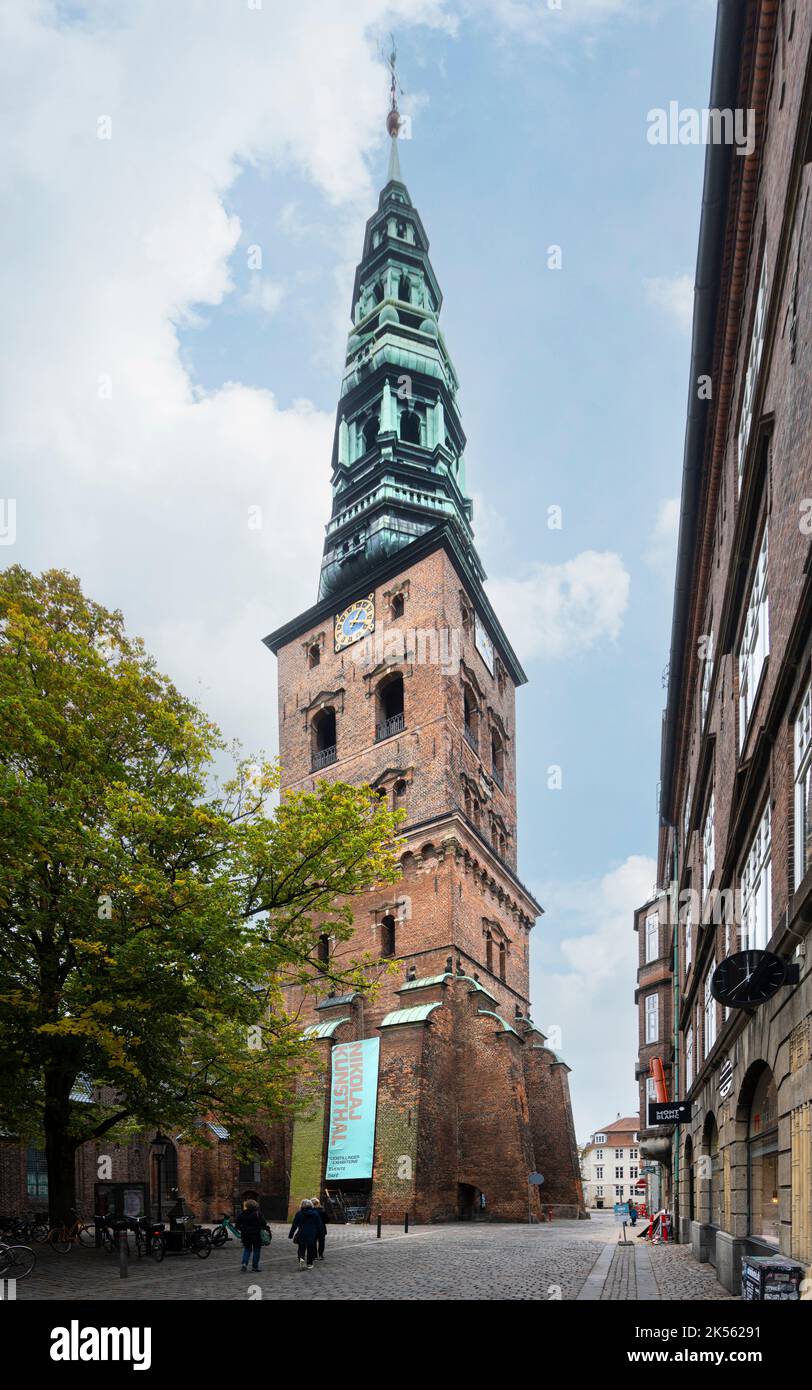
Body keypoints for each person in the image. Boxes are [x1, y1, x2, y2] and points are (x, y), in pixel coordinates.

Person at [234, 1198, 270, 1273]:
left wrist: (242, 1229)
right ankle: (255, 1266)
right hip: (256, 1234)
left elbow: (237, 1225)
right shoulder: (258, 1213)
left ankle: (244, 1264)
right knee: (256, 1250)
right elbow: (264, 1223)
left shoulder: (242, 1214)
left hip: (245, 1234)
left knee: (247, 1249)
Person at [288, 1198, 321, 1270]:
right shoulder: (315, 1214)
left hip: (302, 1233)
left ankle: (302, 1262)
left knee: (301, 1249)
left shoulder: (299, 1213)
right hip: (312, 1233)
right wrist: (319, 1234)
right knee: (311, 1249)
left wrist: (291, 1234)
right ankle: (309, 1264)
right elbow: (319, 1225)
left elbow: (294, 1225)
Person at [311, 1197, 326, 1261]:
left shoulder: (310, 1211)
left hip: (312, 1228)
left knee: (313, 1242)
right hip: (321, 1228)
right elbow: (327, 1220)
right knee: (321, 1242)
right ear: (318, 1203)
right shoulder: (322, 1210)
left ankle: (314, 1255)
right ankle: (320, 1255)